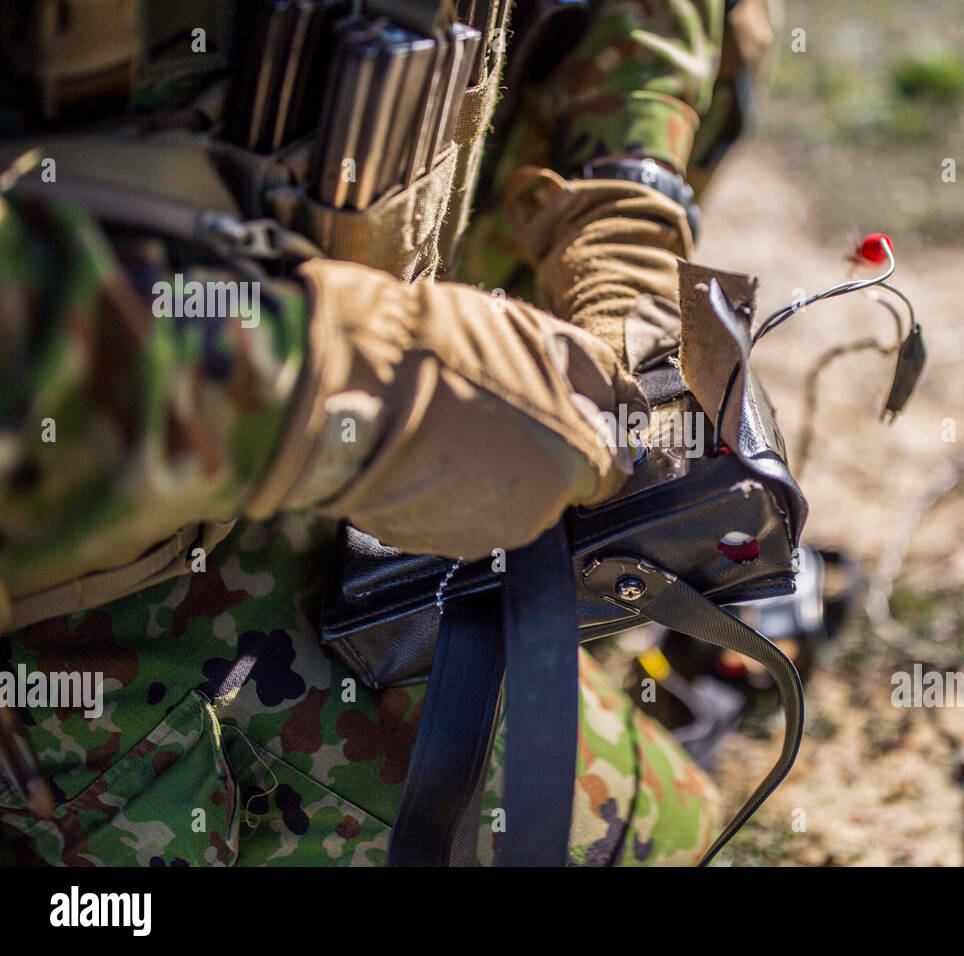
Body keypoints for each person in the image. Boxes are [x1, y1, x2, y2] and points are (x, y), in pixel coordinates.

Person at [0, 0, 776, 866]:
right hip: (85, 551)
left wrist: (624, 202)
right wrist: (339, 378)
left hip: (308, 401)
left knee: (649, 835)